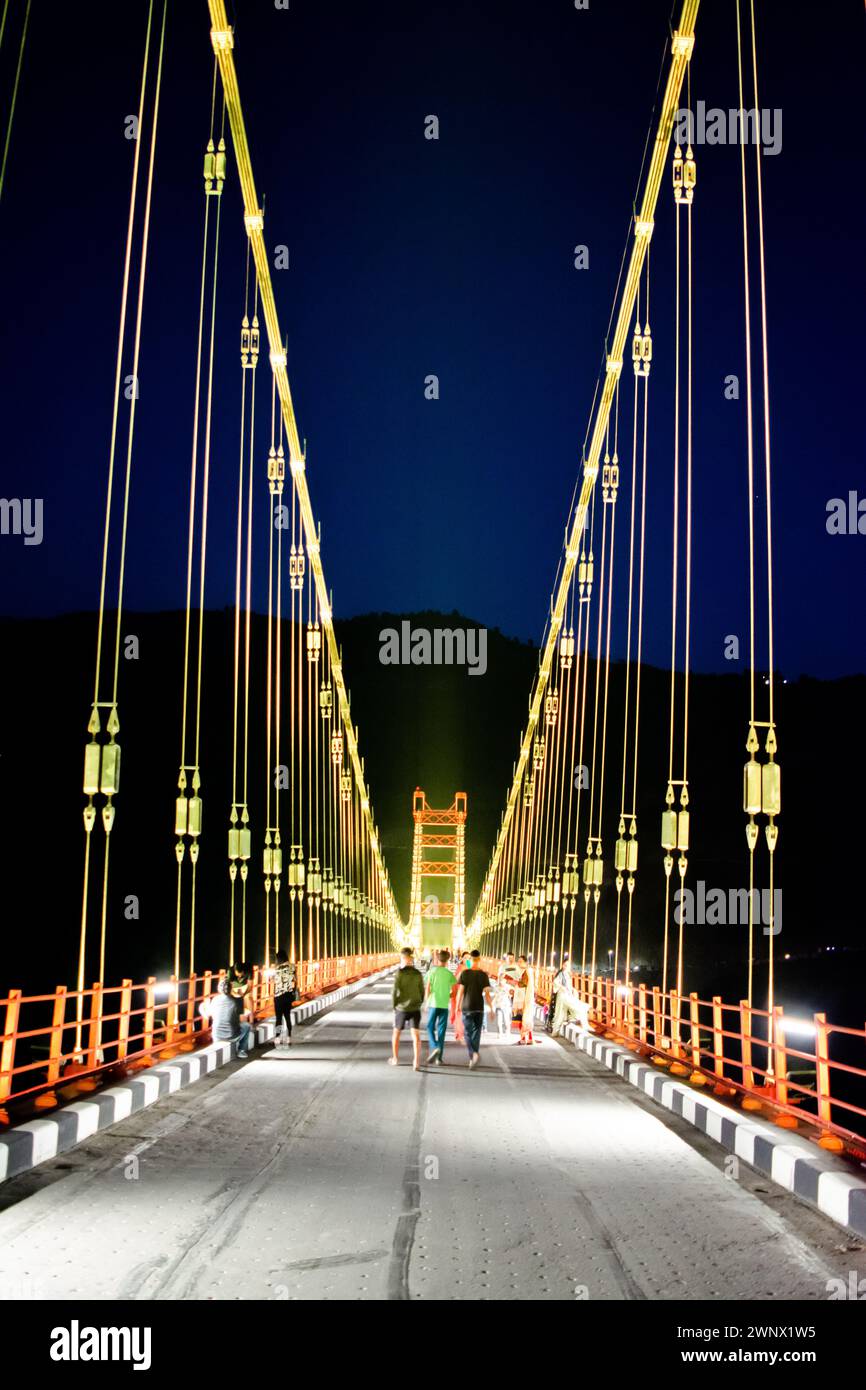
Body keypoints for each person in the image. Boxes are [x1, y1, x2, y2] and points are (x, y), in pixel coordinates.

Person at [455, 949, 492, 1069]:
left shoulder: (465, 973)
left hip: (467, 1006)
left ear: (471, 959)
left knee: (467, 1032)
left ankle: (473, 1054)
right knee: (476, 1033)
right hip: (479, 1007)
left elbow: (460, 992)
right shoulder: (483, 975)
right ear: (479, 959)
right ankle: (473, 1057)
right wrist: (491, 1008)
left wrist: (456, 1007)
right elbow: (487, 994)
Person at [390, 946, 425, 1070]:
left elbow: (394, 991)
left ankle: (395, 1058)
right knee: (415, 1035)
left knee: (396, 1034)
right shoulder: (418, 974)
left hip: (402, 1008)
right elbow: (422, 991)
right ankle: (416, 1061)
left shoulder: (399, 973)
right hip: (415, 1008)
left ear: (403, 958)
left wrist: (394, 1005)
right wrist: (419, 1002)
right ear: (411, 958)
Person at [200, 977, 252, 1058]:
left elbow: (208, 1014)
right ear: (231, 988)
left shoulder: (215, 999)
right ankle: (241, 1051)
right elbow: (243, 1017)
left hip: (217, 1035)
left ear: (219, 989)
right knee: (247, 1026)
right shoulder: (237, 1000)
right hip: (232, 1036)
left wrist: (202, 1007)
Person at [425, 948, 457, 1064]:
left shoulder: (432, 972)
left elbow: (428, 987)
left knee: (429, 1027)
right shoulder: (449, 974)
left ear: (437, 959)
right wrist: (447, 996)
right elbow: (454, 992)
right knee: (441, 1031)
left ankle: (435, 1047)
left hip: (433, 1004)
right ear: (447, 960)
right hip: (444, 1005)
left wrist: (425, 1002)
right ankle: (439, 1058)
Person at [272, 948, 297, 1046]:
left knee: (278, 1018)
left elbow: (274, 981)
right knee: (287, 1016)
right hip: (288, 995)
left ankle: (277, 1038)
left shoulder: (276, 968)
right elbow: (296, 980)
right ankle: (289, 1037)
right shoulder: (292, 966)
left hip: (278, 996)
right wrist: (294, 991)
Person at [515, 955, 538, 1044]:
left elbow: (523, 984)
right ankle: (529, 1038)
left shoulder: (527, 971)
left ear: (525, 962)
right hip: (527, 996)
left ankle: (524, 1038)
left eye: (520, 961)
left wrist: (516, 982)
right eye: (518, 961)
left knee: (524, 1017)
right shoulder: (530, 970)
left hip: (525, 997)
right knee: (527, 1017)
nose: (519, 963)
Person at [547, 954, 571, 1034]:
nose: (566, 967)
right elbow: (555, 982)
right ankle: (555, 1028)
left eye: (567, 965)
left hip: (566, 995)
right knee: (559, 1011)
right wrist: (562, 987)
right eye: (565, 965)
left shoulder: (568, 974)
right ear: (562, 965)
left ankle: (558, 1026)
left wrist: (571, 991)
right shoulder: (560, 973)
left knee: (564, 1010)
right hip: (560, 995)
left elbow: (569, 985)